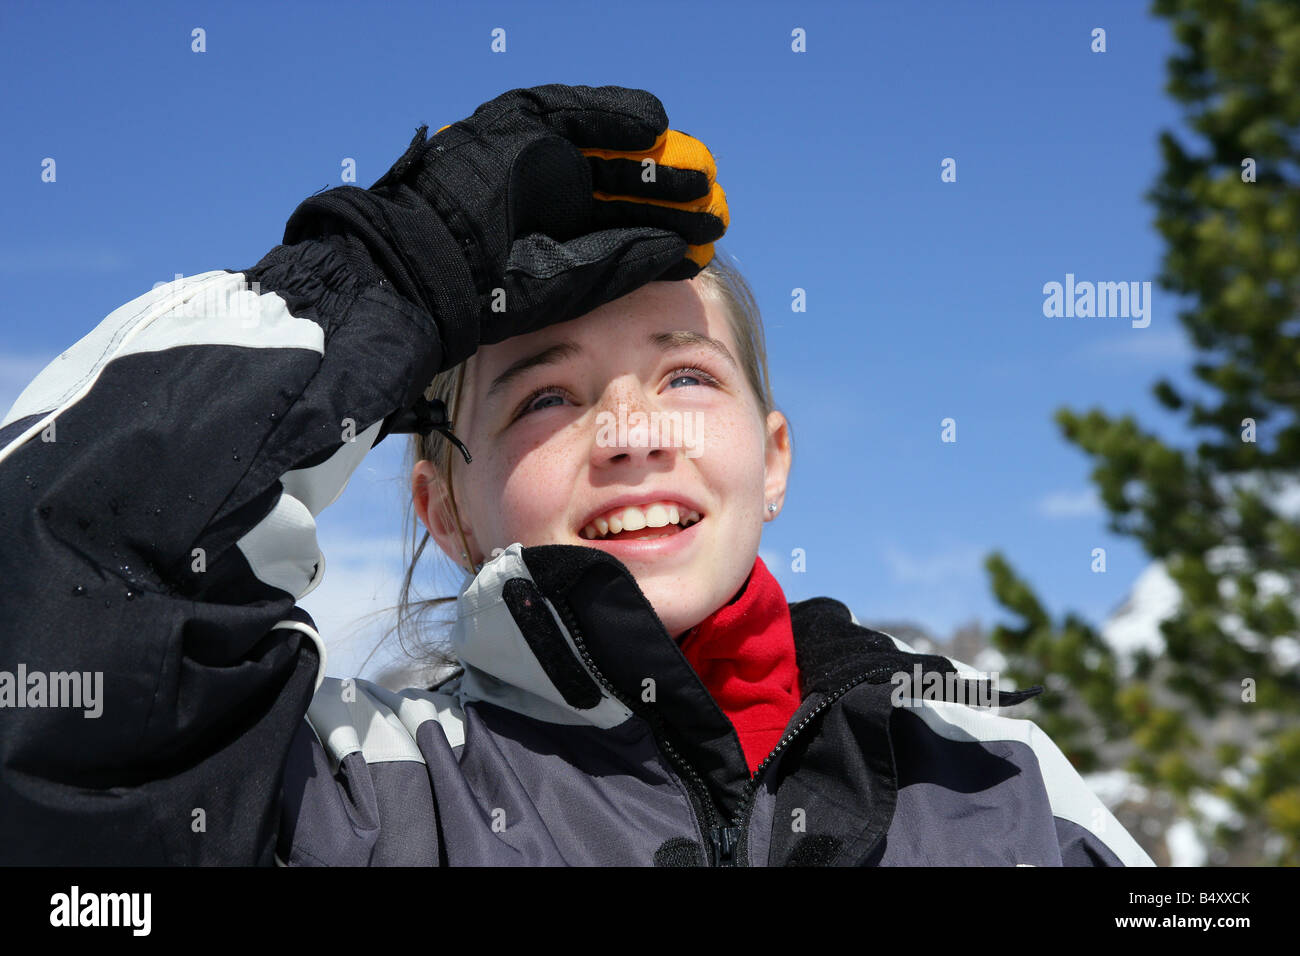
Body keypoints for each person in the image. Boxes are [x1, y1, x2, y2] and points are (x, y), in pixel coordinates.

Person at [0, 84, 1153, 867]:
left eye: (688, 376)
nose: (632, 429)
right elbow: (62, 655)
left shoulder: (982, 759)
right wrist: (374, 279)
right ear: (440, 505)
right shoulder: (362, 795)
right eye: (546, 396)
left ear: (776, 457)